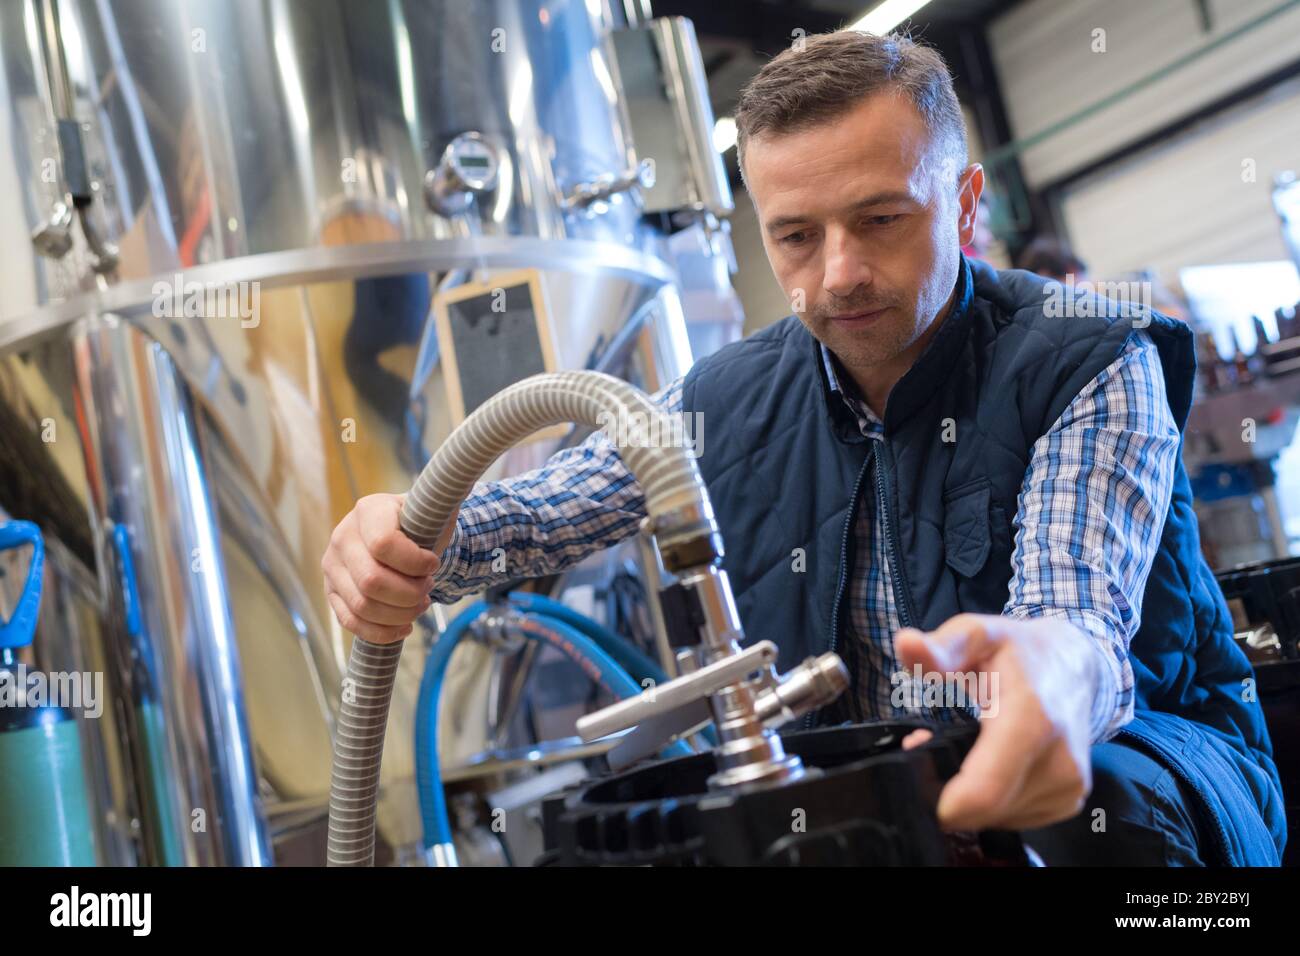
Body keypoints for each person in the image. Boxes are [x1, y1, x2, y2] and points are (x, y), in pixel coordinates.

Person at [321, 30, 1285, 865]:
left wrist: (1048, 679)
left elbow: (1078, 628)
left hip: (1156, 770)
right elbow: (535, 516)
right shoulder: (729, 396)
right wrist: (407, 543)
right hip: (879, 790)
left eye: (881, 219)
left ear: (962, 202)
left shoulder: (1090, 355)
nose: (841, 274)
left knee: (1091, 810)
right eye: (794, 236)